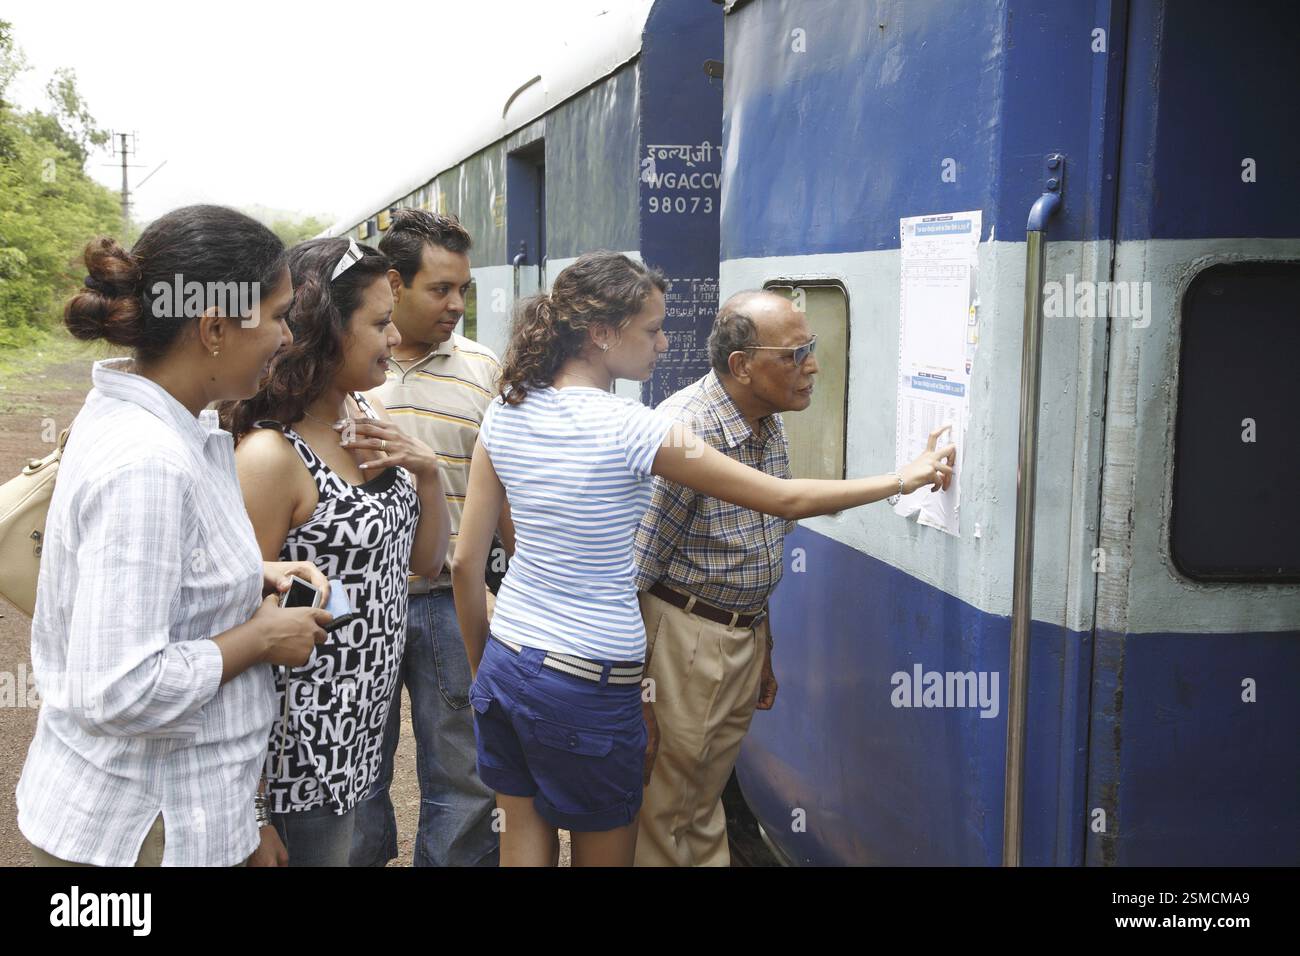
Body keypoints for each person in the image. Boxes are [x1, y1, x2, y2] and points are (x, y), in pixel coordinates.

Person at [451, 252, 955, 867]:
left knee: (523, 838)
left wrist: (483, 674)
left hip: (509, 661)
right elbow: (785, 499)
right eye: (652, 329)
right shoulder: (636, 427)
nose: (665, 344)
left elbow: (465, 564)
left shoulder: (507, 409)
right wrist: (904, 479)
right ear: (601, 334)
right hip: (587, 678)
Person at [16, 205, 334, 867]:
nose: (286, 336)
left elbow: (164, 580)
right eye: (277, 316)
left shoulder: (170, 425)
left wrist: (253, 574)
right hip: (138, 833)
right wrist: (261, 637)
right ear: (215, 327)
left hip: (157, 814)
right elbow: (120, 686)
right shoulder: (149, 463)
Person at [222, 237, 451, 866]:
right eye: (380, 324)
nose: (395, 341)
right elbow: (231, 629)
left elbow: (425, 566)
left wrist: (428, 475)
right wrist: (252, 810)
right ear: (325, 329)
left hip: (360, 743)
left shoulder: (363, 415)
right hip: (296, 762)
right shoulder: (271, 457)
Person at [631, 290, 858, 865]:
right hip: (682, 639)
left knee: (701, 802)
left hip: (737, 632)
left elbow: (757, 548)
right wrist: (638, 694)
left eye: (811, 349)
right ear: (741, 366)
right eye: (794, 355)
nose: (811, 366)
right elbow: (633, 572)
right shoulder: (686, 431)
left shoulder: (766, 422)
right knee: (664, 812)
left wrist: (763, 643)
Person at [350, 209, 509, 868]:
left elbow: (508, 499)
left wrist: (516, 593)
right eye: (440, 289)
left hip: (450, 601)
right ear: (394, 282)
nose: (456, 304)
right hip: (360, 607)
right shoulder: (348, 370)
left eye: (463, 290)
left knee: (465, 778)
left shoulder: (484, 372)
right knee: (356, 772)